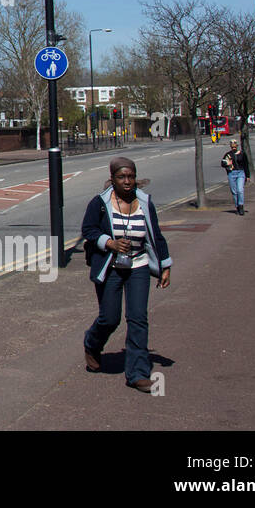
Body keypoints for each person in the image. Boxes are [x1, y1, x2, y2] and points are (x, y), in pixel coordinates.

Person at [81, 157, 172, 392]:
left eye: (131, 176)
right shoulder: (100, 203)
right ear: (112, 179)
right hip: (110, 266)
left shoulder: (145, 202)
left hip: (138, 265)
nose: (127, 181)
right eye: (122, 177)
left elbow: (157, 235)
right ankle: (92, 344)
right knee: (110, 318)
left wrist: (165, 265)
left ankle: (138, 373)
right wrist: (109, 243)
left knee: (138, 318)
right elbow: (88, 230)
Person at [221, 138, 251, 215]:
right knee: (234, 192)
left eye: (235, 145)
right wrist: (227, 163)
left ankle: (241, 206)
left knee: (240, 190)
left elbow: (246, 164)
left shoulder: (242, 154)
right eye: (232, 146)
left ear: (237, 146)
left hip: (240, 173)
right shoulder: (228, 155)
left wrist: (247, 175)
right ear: (231, 146)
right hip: (231, 173)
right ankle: (237, 206)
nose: (233, 147)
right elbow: (222, 164)